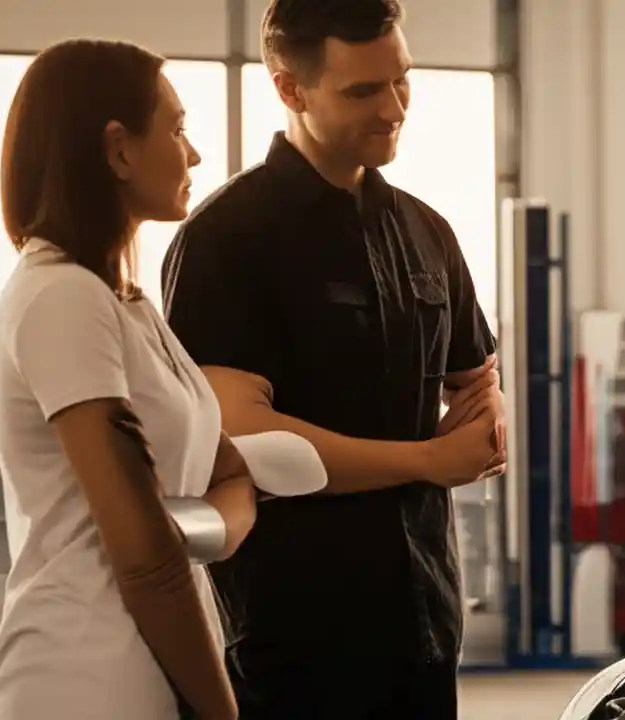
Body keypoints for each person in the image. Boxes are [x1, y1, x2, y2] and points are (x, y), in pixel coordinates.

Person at [160, 0, 505, 717]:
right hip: (295, 637)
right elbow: (246, 434)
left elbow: (477, 379)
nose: (394, 109)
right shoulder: (228, 240)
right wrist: (428, 460)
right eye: (363, 91)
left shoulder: (427, 231)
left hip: (425, 620)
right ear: (290, 88)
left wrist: (485, 425)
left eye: (401, 80)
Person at [0, 39, 256, 720]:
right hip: (84, 676)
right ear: (118, 151)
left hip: (144, 664)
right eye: (177, 129)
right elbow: (147, 561)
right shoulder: (61, 298)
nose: (194, 154)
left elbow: (228, 474)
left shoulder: (125, 303)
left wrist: (202, 525)